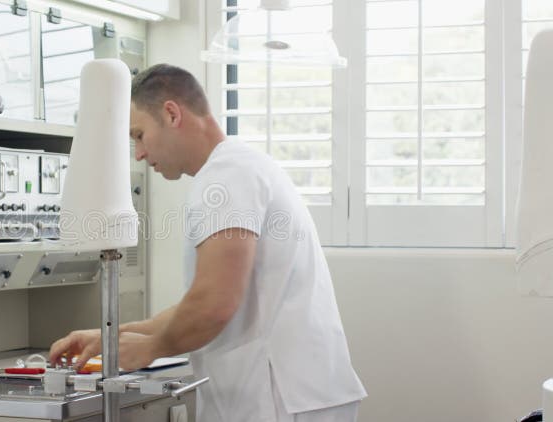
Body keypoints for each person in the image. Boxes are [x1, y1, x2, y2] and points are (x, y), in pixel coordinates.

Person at [49, 63, 367, 422]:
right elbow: (199, 302)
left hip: (279, 399)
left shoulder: (227, 177)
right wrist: (109, 337)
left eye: (139, 134)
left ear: (171, 113)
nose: (138, 153)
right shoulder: (239, 168)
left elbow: (213, 305)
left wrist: (150, 349)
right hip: (291, 394)